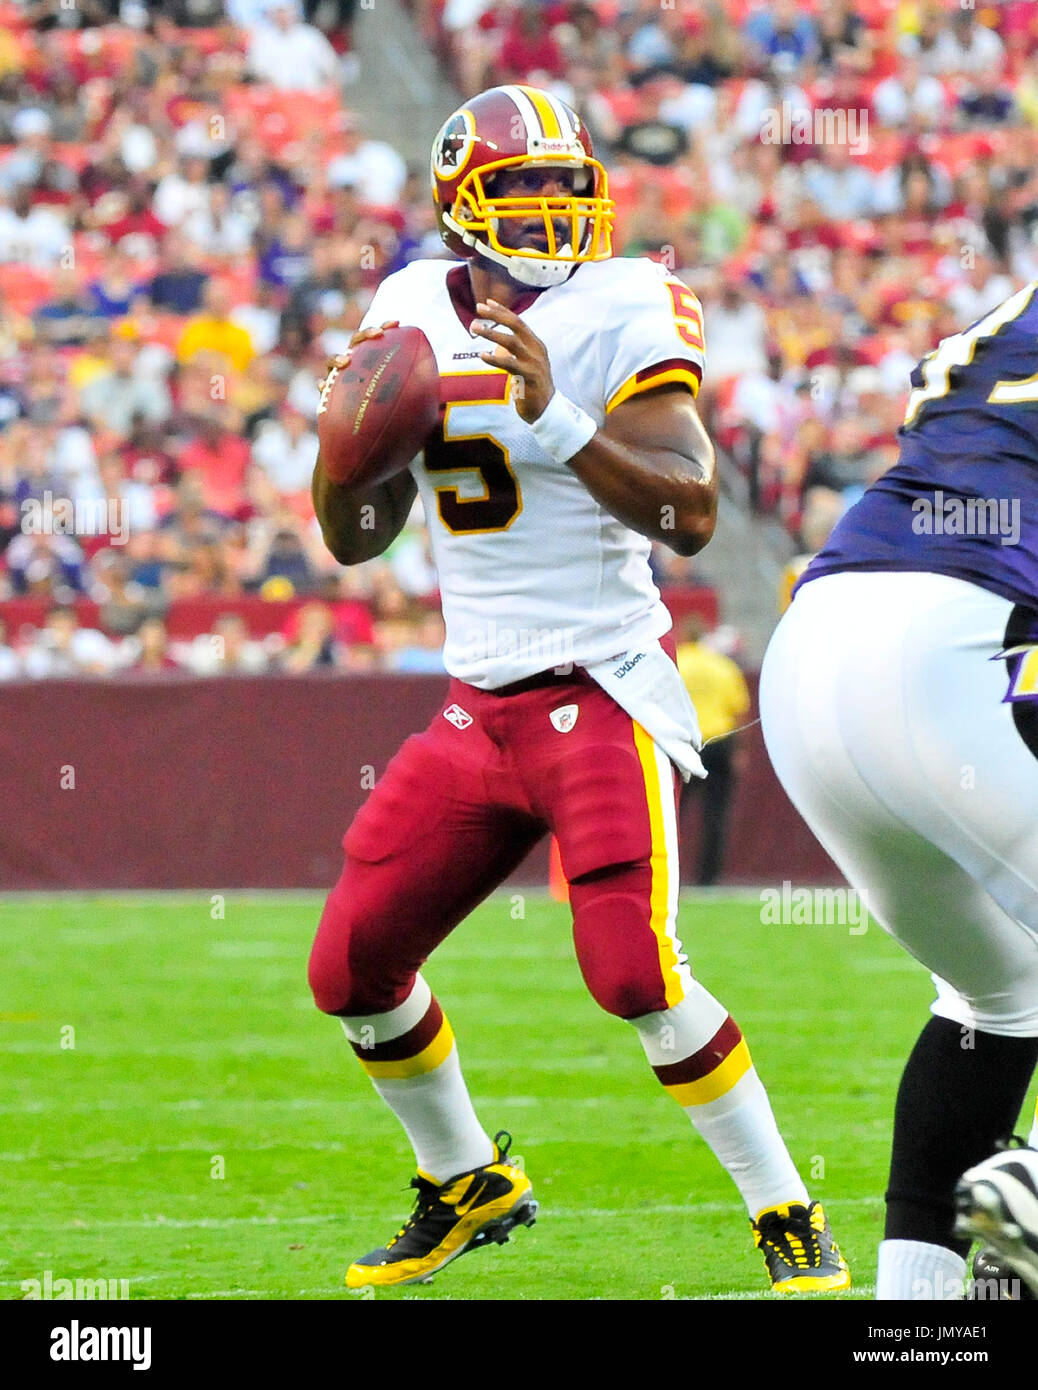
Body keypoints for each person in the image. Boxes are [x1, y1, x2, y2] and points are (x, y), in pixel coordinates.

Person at [307, 85, 848, 1293]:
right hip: (474, 701)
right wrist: (344, 457)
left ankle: (787, 1211)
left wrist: (552, 406)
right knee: (350, 965)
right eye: (522, 190)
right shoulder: (405, 304)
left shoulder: (627, 302)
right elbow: (357, 535)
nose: (552, 210)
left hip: (598, 687)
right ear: (459, 205)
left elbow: (688, 511)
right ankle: (464, 1181)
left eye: (566, 185)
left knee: (634, 972)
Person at [759, 281, 1038, 1300]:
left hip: (817, 639)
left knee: (997, 996)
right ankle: (1028, 1194)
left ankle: (916, 1319)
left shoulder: (1013, 314)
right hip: (946, 646)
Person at [676, 615, 750, 885]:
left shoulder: (675, 663)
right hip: (719, 742)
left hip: (684, 744)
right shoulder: (722, 665)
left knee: (673, 814)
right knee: (715, 814)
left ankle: (669, 873)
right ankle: (708, 879)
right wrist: (739, 750)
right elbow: (739, 709)